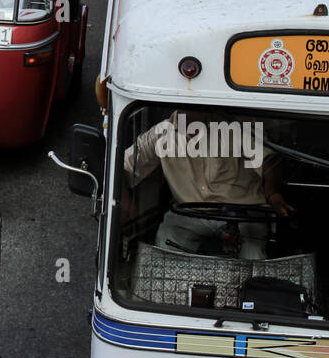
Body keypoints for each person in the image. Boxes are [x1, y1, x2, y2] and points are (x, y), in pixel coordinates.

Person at [124, 111, 294, 260]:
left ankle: (253, 294)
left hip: (243, 214)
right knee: (166, 246)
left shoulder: (235, 127)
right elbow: (122, 166)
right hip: (186, 214)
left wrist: (272, 192)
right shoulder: (161, 133)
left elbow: (269, 159)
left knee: (253, 254)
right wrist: (125, 204)